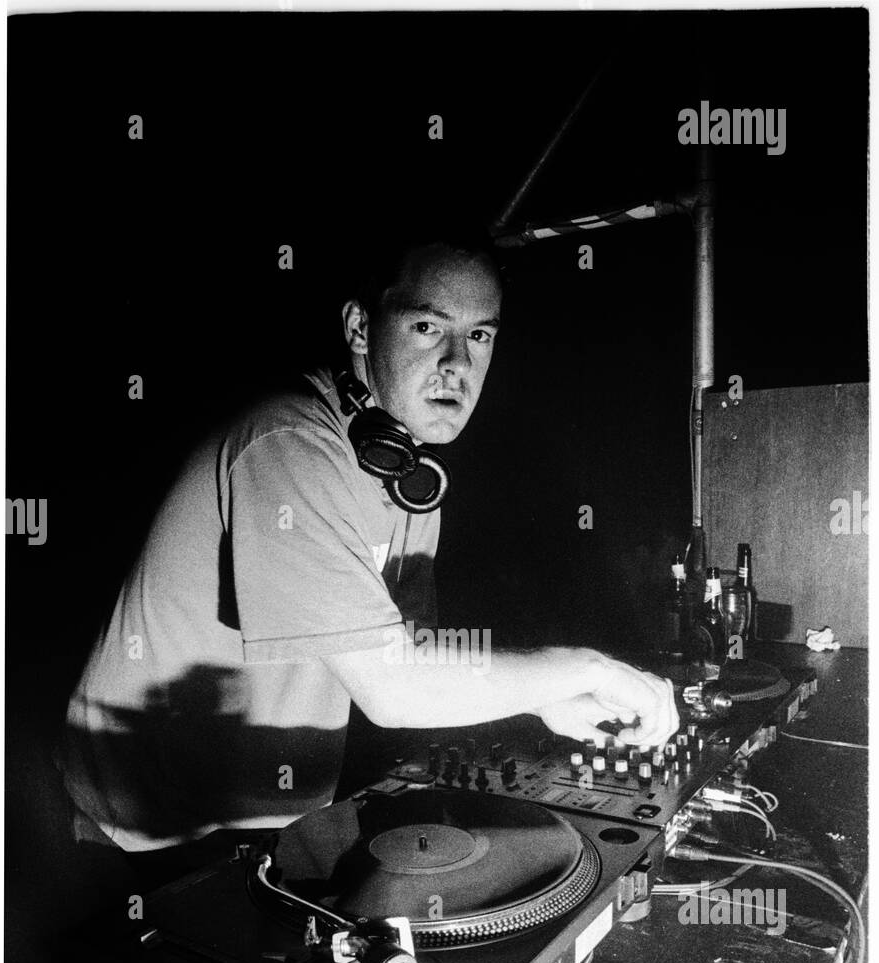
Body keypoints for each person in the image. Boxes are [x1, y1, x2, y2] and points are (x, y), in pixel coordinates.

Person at [60, 224, 678, 884]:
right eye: (427, 328)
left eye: (480, 335)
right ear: (360, 328)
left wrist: (540, 702)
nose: (458, 364)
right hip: (153, 834)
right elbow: (393, 685)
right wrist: (578, 667)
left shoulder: (410, 479)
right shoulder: (288, 445)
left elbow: (419, 652)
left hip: (273, 823)